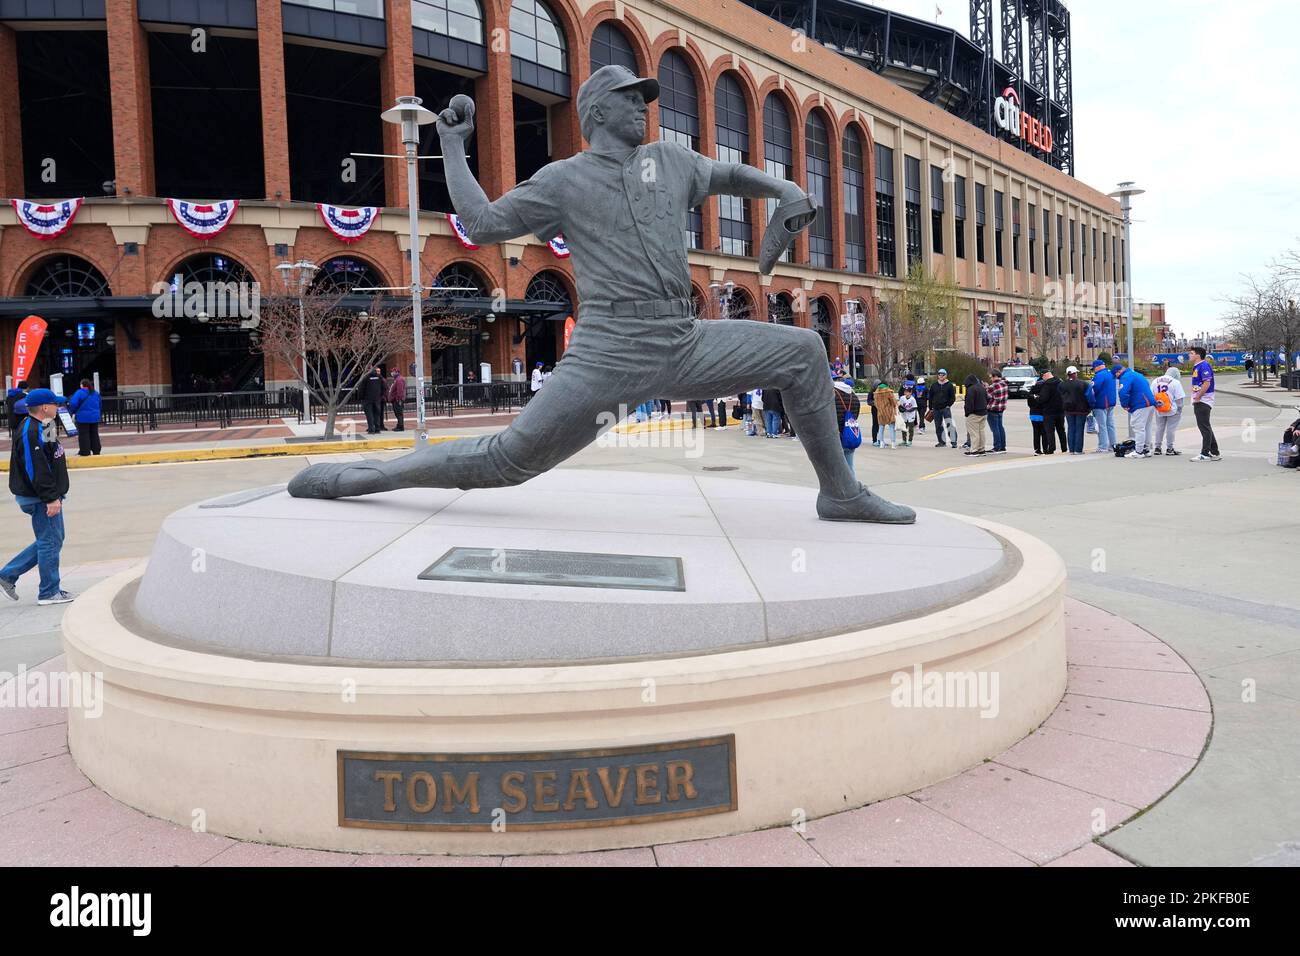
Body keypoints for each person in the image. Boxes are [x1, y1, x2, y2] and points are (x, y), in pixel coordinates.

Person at [288, 66, 914, 524]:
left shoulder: (669, 160)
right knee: (508, 460)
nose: (642, 106)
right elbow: (479, 224)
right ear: (595, 113)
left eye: (644, 98)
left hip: (683, 338)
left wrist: (784, 191)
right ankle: (357, 479)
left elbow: (725, 173)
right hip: (609, 351)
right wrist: (452, 146)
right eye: (628, 98)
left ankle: (840, 492)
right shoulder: (563, 180)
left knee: (803, 351)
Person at [1, 388, 74, 606]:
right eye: (55, 404)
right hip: (39, 497)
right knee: (49, 541)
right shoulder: (29, 431)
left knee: (52, 539)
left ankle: (7, 575)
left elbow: (51, 454)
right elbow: (36, 468)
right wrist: (50, 498)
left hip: (50, 494)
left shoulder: (46, 425)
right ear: (44, 407)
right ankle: (49, 591)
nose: (58, 407)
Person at [1116, 364, 1157, 458]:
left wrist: (1125, 405)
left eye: (1116, 375)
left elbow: (1123, 392)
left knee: (1138, 428)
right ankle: (1146, 449)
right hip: (1150, 403)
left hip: (1140, 404)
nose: (1117, 378)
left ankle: (1139, 451)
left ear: (1118, 372)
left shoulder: (1125, 377)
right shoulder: (1136, 374)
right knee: (1147, 427)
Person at [1190, 346, 1221, 461]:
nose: (1189, 355)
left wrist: (1198, 396)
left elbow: (1207, 383)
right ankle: (1214, 452)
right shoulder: (1197, 366)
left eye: (1192, 353)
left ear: (1198, 355)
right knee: (1205, 426)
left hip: (1203, 400)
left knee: (1204, 427)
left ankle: (1205, 453)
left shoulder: (1203, 366)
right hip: (1199, 399)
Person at [1152, 366, 1186, 455]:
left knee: (1159, 427)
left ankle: (1157, 448)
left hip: (1159, 408)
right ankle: (1169, 448)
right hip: (1172, 409)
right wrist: (1179, 409)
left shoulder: (1155, 381)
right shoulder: (1175, 382)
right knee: (1171, 429)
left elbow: (1151, 395)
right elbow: (1179, 398)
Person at [1059, 366, 1091, 455]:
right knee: (1079, 429)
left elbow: (1060, 396)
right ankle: (1078, 449)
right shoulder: (1083, 384)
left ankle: (1071, 450)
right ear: (1075, 374)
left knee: (1071, 428)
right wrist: (1090, 407)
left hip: (1068, 409)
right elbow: (1089, 396)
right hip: (1081, 409)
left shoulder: (1062, 384)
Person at [67, 378, 103, 456]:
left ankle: (85, 451)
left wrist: (72, 412)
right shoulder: (95, 393)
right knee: (94, 434)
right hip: (94, 417)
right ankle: (96, 450)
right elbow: (100, 404)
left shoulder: (79, 392)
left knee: (84, 434)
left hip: (83, 417)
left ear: (82, 385)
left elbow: (73, 403)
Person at [1029, 370, 1062, 454]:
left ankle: (1037, 449)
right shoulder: (1045, 388)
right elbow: (1044, 400)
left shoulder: (1032, 390)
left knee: (1036, 432)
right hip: (1043, 413)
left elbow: (1029, 403)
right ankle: (1045, 449)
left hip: (1033, 414)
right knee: (1044, 432)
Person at [1089, 358, 1118, 452]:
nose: (1093, 371)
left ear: (1097, 367)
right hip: (1111, 403)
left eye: (1093, 368)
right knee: (1110, 425)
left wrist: (1090, 401)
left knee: (1102, 426)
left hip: (1101, 403)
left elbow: (1093, 389)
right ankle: (1112, 445)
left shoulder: (1099, 375)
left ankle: (1103, 446)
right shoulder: (1111, 373)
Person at [833, 376, 862, 470]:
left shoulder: (832, 396)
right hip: (850, 434)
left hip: (836, 435)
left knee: (836, 468)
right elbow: (855, 416)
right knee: (849, 467)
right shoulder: (854, 397)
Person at [928, 369, 957, 447]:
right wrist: (930, 407)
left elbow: (952, 398)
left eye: (943, 374)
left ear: (946, 375)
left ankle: (953, 442)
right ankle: (941, 442)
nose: (941, 376)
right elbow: (930, 397)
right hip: (936, 408)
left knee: (949, 424)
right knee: (938, 426)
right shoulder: (934, 385)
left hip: (945, 408)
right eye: (939, 374)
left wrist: (948, 405)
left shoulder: (949, 385)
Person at [963, 374, 988, 456]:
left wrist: (967, 413)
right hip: (983, 413)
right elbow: (987, 399)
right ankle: (981, 449)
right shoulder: (982, 388)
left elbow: (969, 403)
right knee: (981, 432)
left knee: (974, 433)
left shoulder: (971, 389)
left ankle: (974, 450)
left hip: (974, 414)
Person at [986, 367, 1008, 454]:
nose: (990, 379)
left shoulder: (993, 386)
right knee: (1000, 427)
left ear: (995, 376)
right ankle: (1002, 446)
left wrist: (985, 388)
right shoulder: (1004, 384)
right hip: (1001, 409)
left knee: (995, 429)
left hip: (992, 409)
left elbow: (987, 396)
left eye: (991, 377)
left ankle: (996, 447)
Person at [360, 365, 386, 434]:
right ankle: (377, 429)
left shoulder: (366, 377)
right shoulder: (379, 377)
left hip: (367, 399)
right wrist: (380, 395)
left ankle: (371, 429)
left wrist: (361, 398)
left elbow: (361, 389)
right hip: (377, 399)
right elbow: (384, 387)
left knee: (369, 415)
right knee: (376, 414)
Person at [874, 382, 899, 449]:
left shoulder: (876, 393)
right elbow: (894, 402)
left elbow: (875, 404)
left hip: (880, 412)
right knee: (892, 428)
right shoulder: (888, 392)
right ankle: (893, 443)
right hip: (889, 412)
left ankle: (881, 443)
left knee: (881, 428)